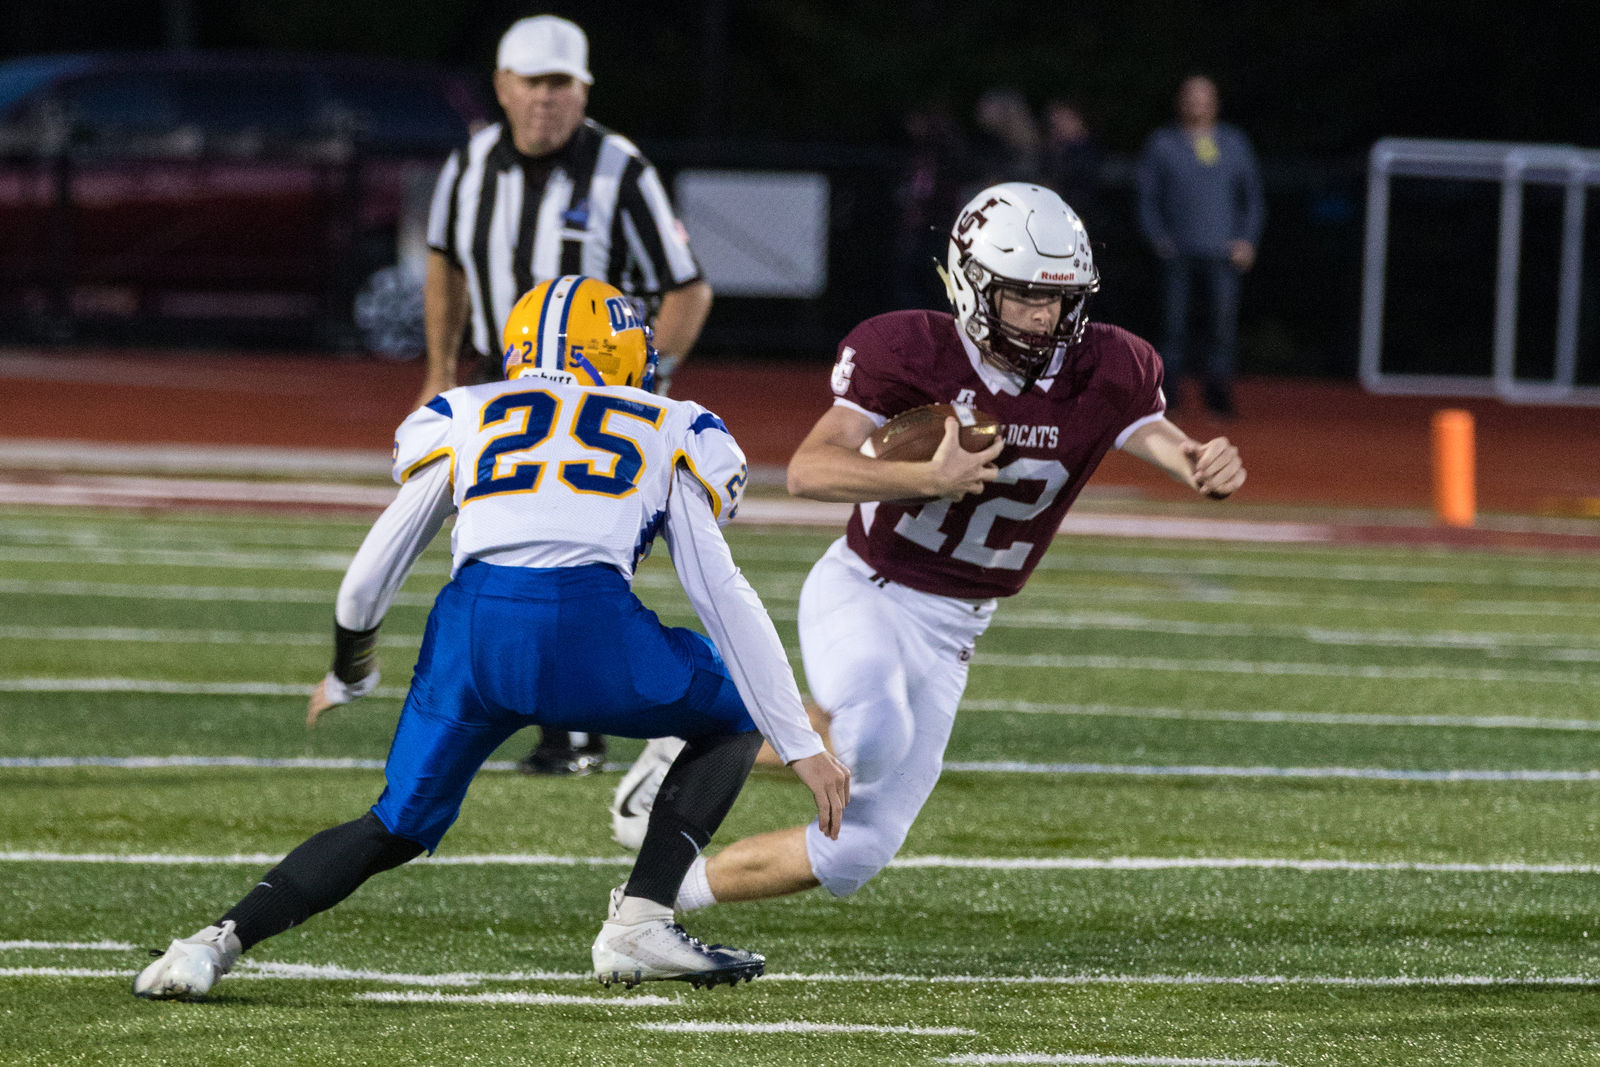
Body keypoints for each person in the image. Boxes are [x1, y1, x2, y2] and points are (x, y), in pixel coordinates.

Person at [132, 276, 849, 1000]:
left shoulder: (465, 411)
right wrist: (799, 744)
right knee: (731, 711)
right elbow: (720, 594)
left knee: (395, 822)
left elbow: (367, 577)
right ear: (614, 351)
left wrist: (350, 673)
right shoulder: (670, 423)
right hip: (588, 629)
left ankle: (212, 944)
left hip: (470, 640)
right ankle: (639, 919)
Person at [621, 183, 1245, 917]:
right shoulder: (908, 350)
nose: (1044, 315)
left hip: (957, 630)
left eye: (1059, 298)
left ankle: (647, 906)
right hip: (868, 589)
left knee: (854, 851)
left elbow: (1165, 440)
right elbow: (808, 470)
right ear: (973, 284)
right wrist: (922, 475)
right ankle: (710, 723)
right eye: (1022, 297)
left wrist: (1203, 462)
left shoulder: (1109, 367)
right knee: (874, 736)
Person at [420, 14, 715, 775]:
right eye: (531, 82)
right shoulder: (470, 163)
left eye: (561, 84)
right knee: (493, 546)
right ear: (502, 86)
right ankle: (536, 709)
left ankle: (577, 722)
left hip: (594, 403)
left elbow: (688, 289)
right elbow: (446, 263)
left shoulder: (622, 168)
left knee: (584, 553)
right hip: (501, 388)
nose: (545, 100)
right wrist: (437, 365)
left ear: (583, 90)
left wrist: (657, 381)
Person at [1135, 74, 1264, 417]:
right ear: (1180, 101)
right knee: (1172, 324)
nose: (1197, 104)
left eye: (1204, 98)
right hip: (1177, 251)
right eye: (1191, 97)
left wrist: (1247, 239)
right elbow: (1147, 197)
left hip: (1223, 253)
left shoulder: (1234, 143)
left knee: (1222, 325)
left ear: (1216, 103)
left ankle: (1218, 393)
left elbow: (1251, 197)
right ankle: (1168, 394)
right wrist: (1157, 237)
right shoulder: (1162, 143)